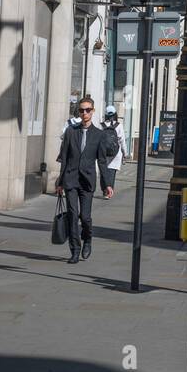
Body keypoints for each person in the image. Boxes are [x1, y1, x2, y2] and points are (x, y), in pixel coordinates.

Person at [55, 96, 115, 264]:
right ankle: (75, 250)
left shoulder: (99, 135)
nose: (84, 113)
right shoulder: (70, 132)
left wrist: (107, 184)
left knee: (85, 217)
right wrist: (60, 182)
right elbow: (65, 158)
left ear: (93, 111)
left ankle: (87, 238)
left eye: (88, 110)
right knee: (73, 215)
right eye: (81, 110)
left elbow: (102, 162)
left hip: (87, 181)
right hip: (71, 179)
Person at [100, 105, 128, 196]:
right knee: (112, 172)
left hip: (103, 153)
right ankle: (109, 192)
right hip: (116, 154)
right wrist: (125, 153)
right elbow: (122, 140)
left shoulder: (102, 125)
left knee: (103, 171)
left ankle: (104, 189)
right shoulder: (119, 126)